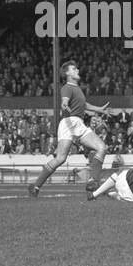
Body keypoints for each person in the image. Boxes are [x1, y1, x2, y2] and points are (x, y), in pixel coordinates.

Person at [27, 61, 111, 197]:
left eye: (76, 68)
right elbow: (64, 101)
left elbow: (84, 104)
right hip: (68, 123)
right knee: (61, 158)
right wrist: (64, 105)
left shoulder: (77, 89)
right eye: (74, 68)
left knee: (102, 147)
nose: (77, 70)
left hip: (79, 123)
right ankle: (36, 185)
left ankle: (92, 182)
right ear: (67, 73)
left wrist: (99, 109)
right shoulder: (67, 87)